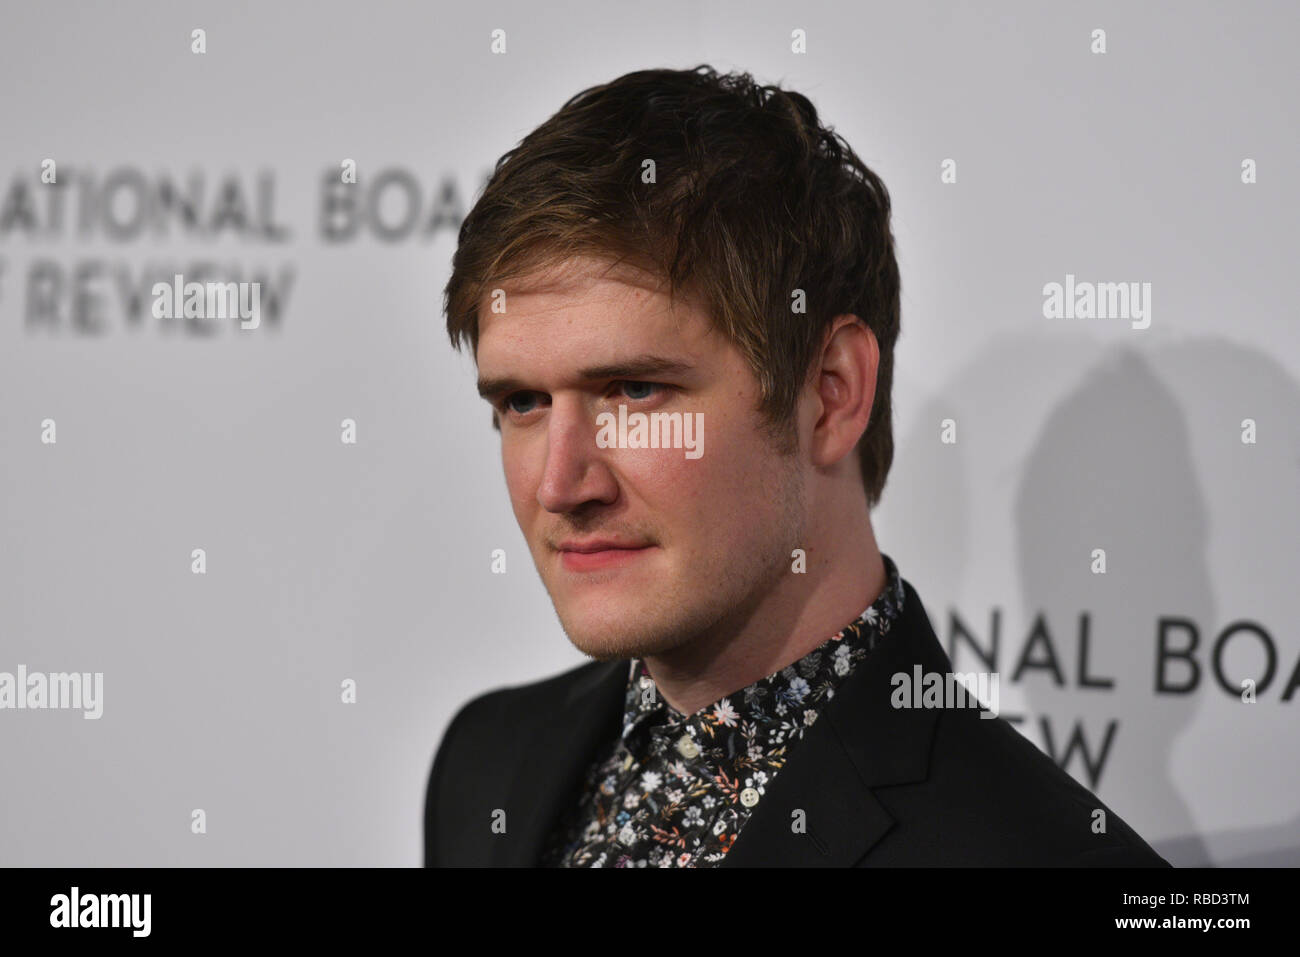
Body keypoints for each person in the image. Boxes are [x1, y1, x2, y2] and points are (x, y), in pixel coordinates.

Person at [424, 65, 1169, 868]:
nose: (560, 485)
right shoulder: (485, 765)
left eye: (635, 390)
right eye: (523, 403)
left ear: (830, 394)